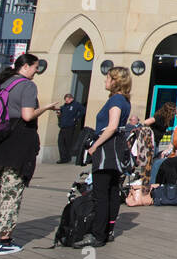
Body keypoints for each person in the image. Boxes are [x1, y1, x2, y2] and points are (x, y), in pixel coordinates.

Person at [0, 54, 58, 255]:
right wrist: (46, 108)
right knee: (11, 192)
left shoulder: (2, 83)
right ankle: (5, 241)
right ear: (25, 67)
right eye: (35, 67)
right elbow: (27, 115)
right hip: (17, 142)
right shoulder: (27, 86)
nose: (36, 71)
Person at [81, 67, 132, 246]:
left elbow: (112, 126)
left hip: (107, 151)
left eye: (107, 78)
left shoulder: (116, 100)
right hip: (116, 150)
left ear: (115, 81)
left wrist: (94, 146)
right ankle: (108, 230)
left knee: (101, 193)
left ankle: (97, 234)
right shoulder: (124, 100)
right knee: (112, 191)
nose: (105, 81)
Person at [55, 93, 85, 163]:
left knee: (68, 143)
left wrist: (76, 118)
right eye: (65, 100)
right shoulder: (64, 106)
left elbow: (83, 110)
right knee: (60, 142)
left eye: (67, 100)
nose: (66, 102)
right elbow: (61, 111)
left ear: (71, 99)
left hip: (70, 126)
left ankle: (67, 157)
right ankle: (63, 158)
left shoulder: (76, 105)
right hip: (63, 126)